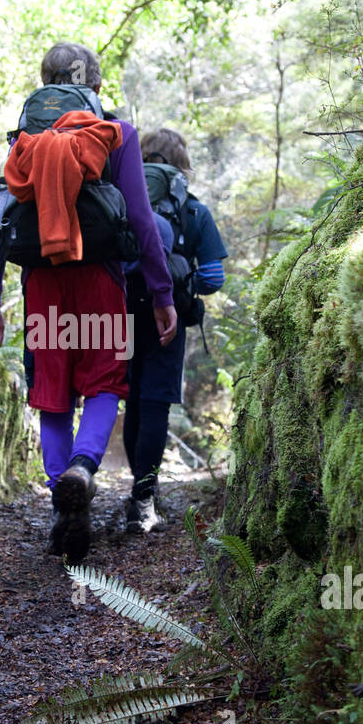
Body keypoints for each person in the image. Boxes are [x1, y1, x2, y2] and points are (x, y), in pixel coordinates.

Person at [0, 43, 177, 563]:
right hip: (101, 283)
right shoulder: (116, 134)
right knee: (105, 382)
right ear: (95, 86)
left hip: (43, 285)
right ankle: (83, 469)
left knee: (53, 392)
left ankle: (58, 506)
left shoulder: (25, 136)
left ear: (44, 82)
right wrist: (161, 294)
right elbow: (141, 222)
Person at [122, 128, 227, 534]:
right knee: (155, 405)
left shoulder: (121, 196)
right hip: (167, 315)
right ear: (182, 163)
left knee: (131, 400)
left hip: (120, 311)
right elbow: (215, 276)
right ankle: (143, 499)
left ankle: (137, 492)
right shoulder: (193, 210)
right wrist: (185, 284)